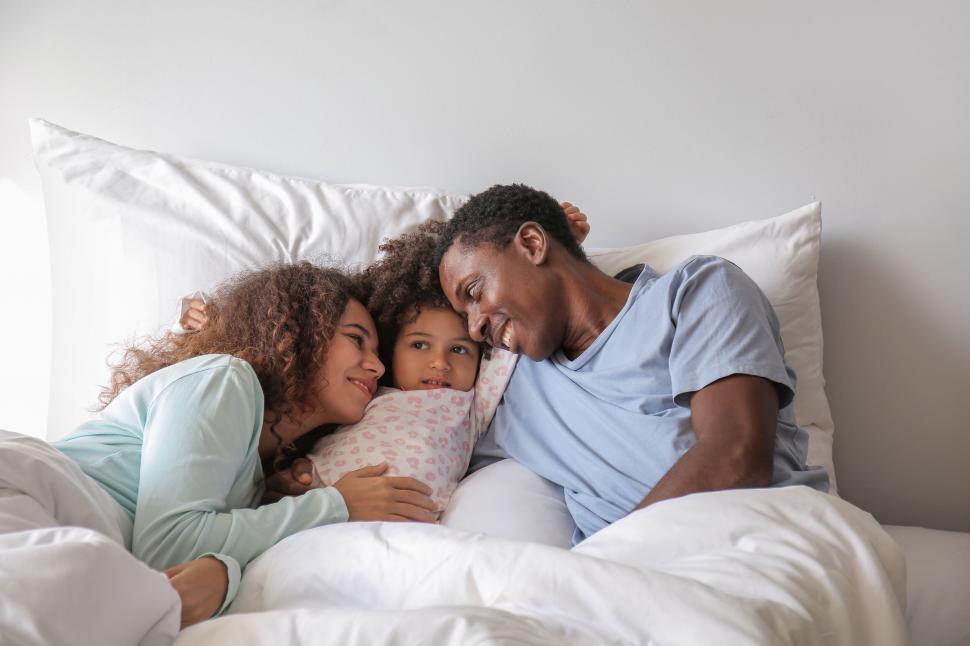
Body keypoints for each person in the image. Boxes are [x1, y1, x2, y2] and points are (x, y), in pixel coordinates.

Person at [4, 262, 438, 629]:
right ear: (298, 331)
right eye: (356, 339)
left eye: (378, 351)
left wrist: (225, 568)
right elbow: (169, 544)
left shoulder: (252, 476)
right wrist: (336, 505)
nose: (377, 366)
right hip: (35, 500)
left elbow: (173, 556)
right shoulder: (224, 378)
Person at [434, 183, 829, 544]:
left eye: (474, 291)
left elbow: (736, 458)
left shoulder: (696, 292)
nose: (474, 326)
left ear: (533, 244)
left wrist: (609, 561)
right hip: (626, 588)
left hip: (758, 543)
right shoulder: (509, 390)